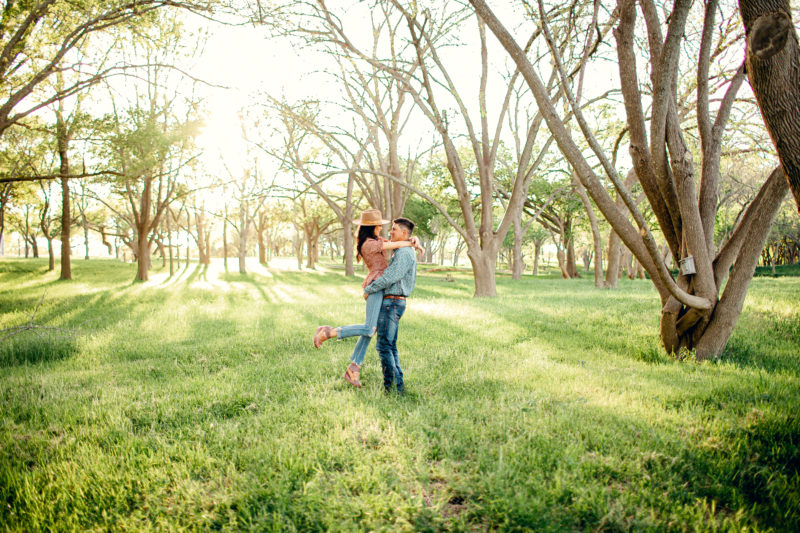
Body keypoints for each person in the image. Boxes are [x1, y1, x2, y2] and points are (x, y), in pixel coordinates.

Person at [312, 209, 422, 388]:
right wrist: (411, 242)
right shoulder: (369, 244)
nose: (382, 228)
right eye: (379, 225)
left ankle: (354, 368)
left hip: (379, 286)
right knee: (368, 328)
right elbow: (393, 245)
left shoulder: (376, 240)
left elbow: (397, 242)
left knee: (370, 330)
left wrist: (414, 239)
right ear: (372, 227)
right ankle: (328, 333)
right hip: (375, 286)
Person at [363, 217, 417, 394]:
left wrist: (369, 289)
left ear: (404, 233)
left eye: (394, 229)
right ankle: (397, 386)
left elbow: (389, 278)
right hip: (393, 302)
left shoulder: (404, 253)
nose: (390, 232)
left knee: (384, 346)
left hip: (392, 303)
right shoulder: (402, 249)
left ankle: (391, 389)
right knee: (390, 345)